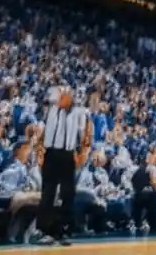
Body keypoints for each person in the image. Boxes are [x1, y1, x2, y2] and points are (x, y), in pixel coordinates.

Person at [38, 87, 90, 246]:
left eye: (65, 97)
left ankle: (61, 231)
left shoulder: (79, 112)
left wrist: (81, 151)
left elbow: (84, 132)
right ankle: (44, 231)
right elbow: (45, 101)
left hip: (68, 155)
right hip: (52, 154)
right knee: (48, 193)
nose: (61, 100)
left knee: (68, 194)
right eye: (60, 97)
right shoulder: (51, 109)